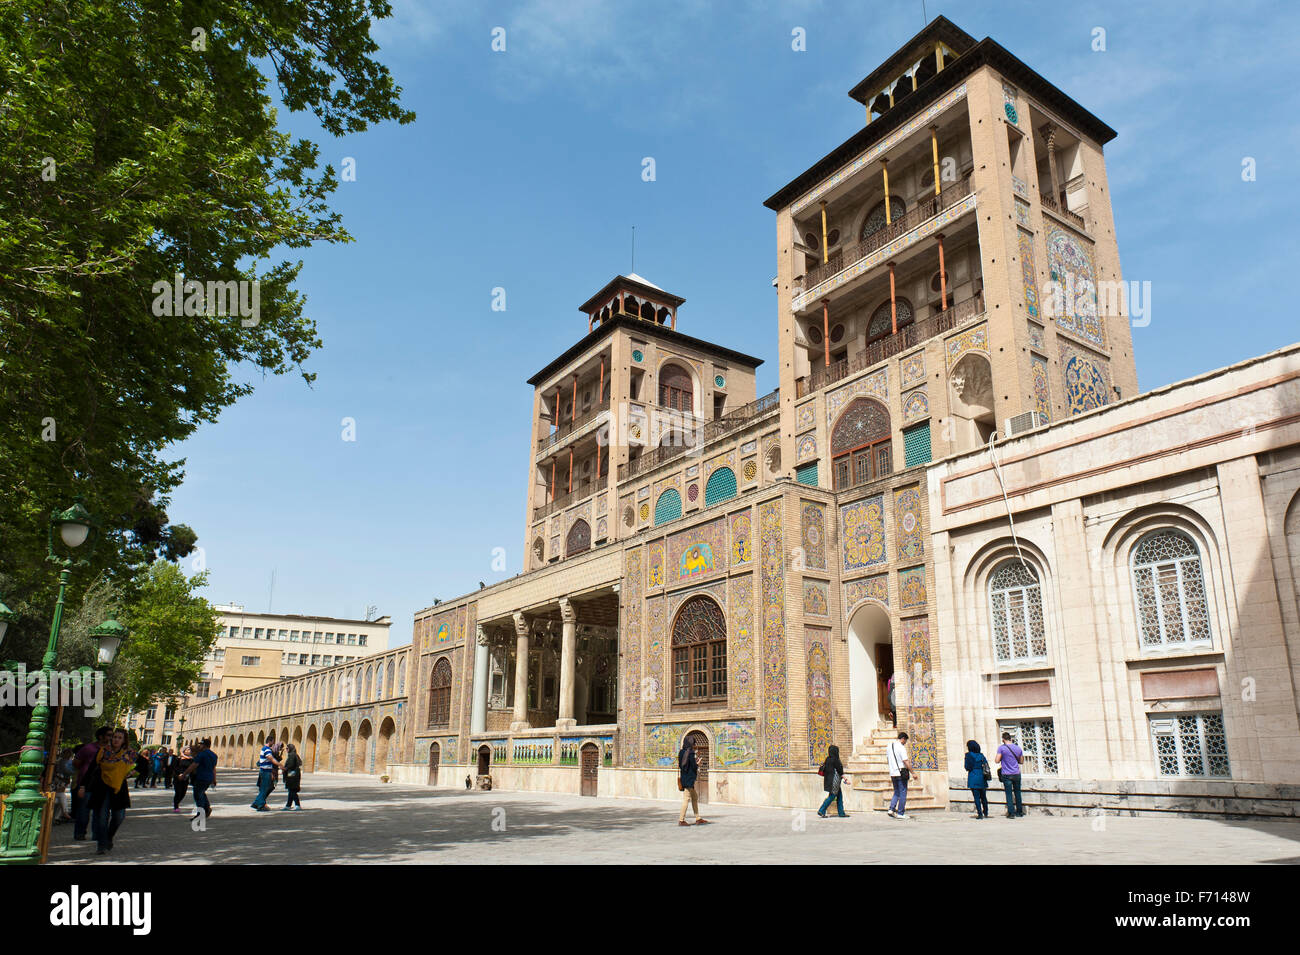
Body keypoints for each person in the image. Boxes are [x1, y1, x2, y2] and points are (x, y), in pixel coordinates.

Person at [87, 728, 135, 855]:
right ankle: (102, 844)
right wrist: (82, 786)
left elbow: (141, 766)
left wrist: (131, 773)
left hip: (119, 788)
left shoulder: (128, 754)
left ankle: (109, 837)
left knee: (119, 817)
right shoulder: (103, 752)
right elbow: (92, 767)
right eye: (114, 737)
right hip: (102, 787)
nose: (116, 740)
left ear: (124, 740)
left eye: (119, 738)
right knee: (102, 818)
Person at [71, 727, 108, 840]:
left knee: (99, 811)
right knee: (83, 810)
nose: (111, 737)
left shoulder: (110, 750)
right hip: (86, 783)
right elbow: (76, 762)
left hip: (102, 784)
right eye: (108, 735)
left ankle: (96, 834)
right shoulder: (89, 748)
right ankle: (80, 833)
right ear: (101, 736)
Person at [676, 738, 709, 827]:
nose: (694, 745)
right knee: (686, 799)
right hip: (689, 779)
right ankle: (681, 820)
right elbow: (693, 767)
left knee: (694, 797)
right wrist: (698, 763)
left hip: (684, 778)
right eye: (693, 744)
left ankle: (698, 818)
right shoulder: (690, 753)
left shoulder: (681, 752)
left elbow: (681, 765)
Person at [183, 738, 218, 821]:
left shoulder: (202, 754)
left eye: (201, 744)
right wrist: (214, 779)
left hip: (201, 777)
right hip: (209, 778)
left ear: (204, 745)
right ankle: (207, 809)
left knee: (198, 795)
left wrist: (184, 774)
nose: (200, 746)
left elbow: (194, 765)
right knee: (202, 793)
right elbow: (213, 768)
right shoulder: (214, 755)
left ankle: (201, 814)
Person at [995, 731, 1026, 818]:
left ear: (1003, 739)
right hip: (1016, 773)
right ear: (1011, 739)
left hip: (1006, 774)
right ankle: (1019, 812)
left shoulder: (1001, 748)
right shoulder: (1018, 748)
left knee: (1008, 793)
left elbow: (997, 760)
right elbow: (1021, 761)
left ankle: (1011, 813)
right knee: (1017, 792)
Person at [886, 731, 915, 819]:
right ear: (903, 739)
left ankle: (891, 809)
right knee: (903, 792)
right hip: (900, 772)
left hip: (892, 772)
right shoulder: (901, 747)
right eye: (905, 741)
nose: (905, 743)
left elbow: (887, 759)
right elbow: (905, 761)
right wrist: (913, 772)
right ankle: (900, 813)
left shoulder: (889, 746)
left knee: (896, 791)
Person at [816, 744, 849, 818]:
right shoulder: (835, 760)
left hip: (829, 781)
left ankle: (841, 813)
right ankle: (821, 810)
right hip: (835, 781)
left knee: (839, 796)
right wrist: (845, 779)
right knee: (832, 796)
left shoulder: (828, 759)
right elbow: (840, 771)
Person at [251, 736, 281, 811]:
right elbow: (270, 759)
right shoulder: (267, 750)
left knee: (265, 788)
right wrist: (281, 765)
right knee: (265, 788)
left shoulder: (266, 749)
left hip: (266, 771)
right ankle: (258, 803)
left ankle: (259, 804)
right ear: (270, 741)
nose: (273, 743)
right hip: (266, 772)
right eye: (273, 741)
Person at [965, 740, 991, 819]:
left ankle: (980, 813)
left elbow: (967, 767)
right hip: (982, 777)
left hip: (973, 777)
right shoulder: (981, 756)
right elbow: (986, 765)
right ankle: (985, 812)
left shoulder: (968, 755)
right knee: (983, 796)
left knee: (976, 797)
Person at [172, 745, 194, 812]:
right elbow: (174, 768)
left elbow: (192, 769)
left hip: (186, 778)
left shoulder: (191, 760)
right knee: (178, 792)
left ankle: (177, 802)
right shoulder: (178, 759)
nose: (189, 751)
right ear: (184, 751)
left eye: (189, 750)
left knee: (183, 793)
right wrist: (178, 774)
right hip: (178, 777)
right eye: (187, 750)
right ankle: (176, 806)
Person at [282, 743, 303, 810]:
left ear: (290, 748)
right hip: (294, 773)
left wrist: (285, 768)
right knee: (291, 790)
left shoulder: (292, 755)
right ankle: (288, 805)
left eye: (287, 748)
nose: (286, 750)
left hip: (292, 774)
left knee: (292, 790)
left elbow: (291, 764)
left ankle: (297, 805)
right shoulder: (295, 755)